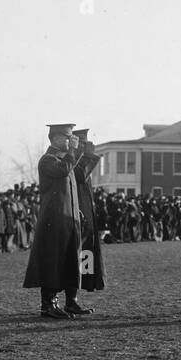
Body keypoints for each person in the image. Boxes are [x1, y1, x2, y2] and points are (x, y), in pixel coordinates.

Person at [22, 124, 92, 319]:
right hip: (54, 220)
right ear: (56, 139)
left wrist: (75, 209)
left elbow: (73, 183)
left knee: (71, 258)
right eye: (67, 138)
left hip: (67, 218)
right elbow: (63, 171)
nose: (71, 142)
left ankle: (71, 301)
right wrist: (72, 151)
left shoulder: (64, 160)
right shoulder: (48, 160)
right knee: (53, 260)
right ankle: (48, 304)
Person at [72, 128, 106, 300]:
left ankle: (77, 294)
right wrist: (89, 157)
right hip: (77, 215)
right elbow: (80, 176)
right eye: (83, 143)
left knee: (86, 254)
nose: (86, 146)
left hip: (86, 215)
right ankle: (72, 297)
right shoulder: (74, 161)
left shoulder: (81, 161)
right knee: (78, 253)